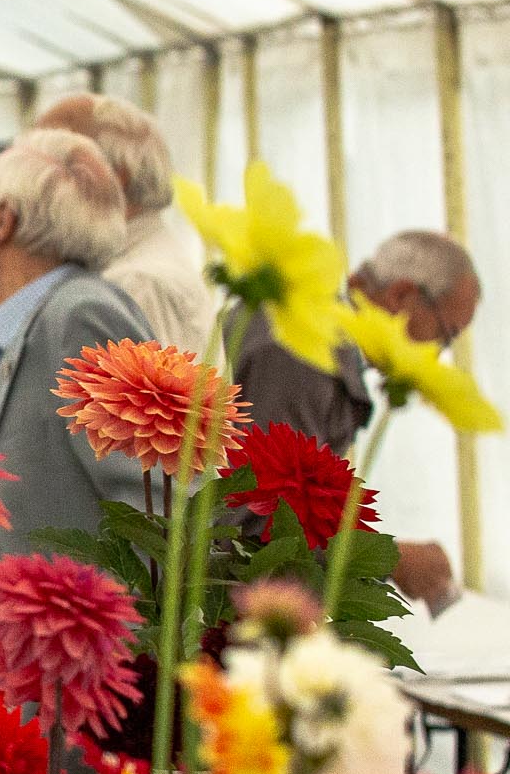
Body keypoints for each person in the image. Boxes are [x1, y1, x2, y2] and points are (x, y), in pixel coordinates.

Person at [0, 130, 152, 618]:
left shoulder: (81, 316)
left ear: (3, 221)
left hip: (53, 670)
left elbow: (151, 508)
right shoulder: (34, 320)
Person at [235, 228, 481, 610]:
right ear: (401, 295)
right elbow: (267, 523)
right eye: (445, 335)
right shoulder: (303, 351)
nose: (437, 354)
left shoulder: (318, 337)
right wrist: (390, 559)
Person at [33, 93, 215, 358]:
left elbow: (153, 398)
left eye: (50, 163)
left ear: (111, 176)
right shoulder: (131, 267)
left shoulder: (135, 283)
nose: (34, 183)